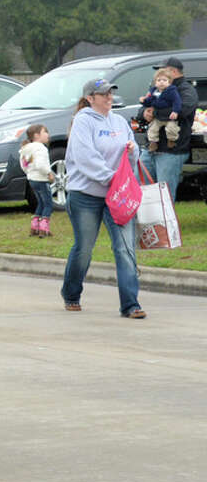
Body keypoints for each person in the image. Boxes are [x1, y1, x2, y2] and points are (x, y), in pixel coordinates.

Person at [60, 78, 145, 319]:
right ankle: (71, 293)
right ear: (90, 98)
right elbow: (86, 157)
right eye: (103, 94)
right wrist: (111, 179)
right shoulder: (82, 122)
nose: (109, 97)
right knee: (84, 248)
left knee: (125, 248)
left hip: (117, 196)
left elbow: (132, 156)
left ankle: (131, 305)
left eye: (110, 93)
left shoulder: (118, 121)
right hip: (86, 196)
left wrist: (131, 150)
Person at [138, 56, 197, 202]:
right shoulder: (156, 89)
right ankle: (145, 224)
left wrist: (155, 112)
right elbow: (143, 107)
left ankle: (167, 225)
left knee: (165, 196)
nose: (158, 74)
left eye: (161, 70)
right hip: (150, 149)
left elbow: (182, 111)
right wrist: (144, 113)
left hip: (171, 151)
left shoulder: (186, 90)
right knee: (140, 190)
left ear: (173, 71)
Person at [19, 123, 55, 237]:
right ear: (36, 135)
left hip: (32, 179)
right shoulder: (40, 148)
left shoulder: (26, 149)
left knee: (40, 203)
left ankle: (34, 227)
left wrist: (29, 172)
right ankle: (44, 229)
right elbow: (41, 164)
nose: (48, 135)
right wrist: (49, 173)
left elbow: (23, 164)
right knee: (48, 204)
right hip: (41, 179)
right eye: (45, 132)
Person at [140, 67, 182, 153]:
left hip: (169, 117)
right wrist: (144, 101)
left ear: (169, 82)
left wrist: (175, 111)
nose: (161, 82)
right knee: (152, 128)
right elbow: (149, 101)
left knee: (171, 128)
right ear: (155, 83)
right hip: (158, 117)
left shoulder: (171, 91)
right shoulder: (154, 92)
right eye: (159, 80)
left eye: (164, 80)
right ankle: (153, 142)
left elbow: (177, 101)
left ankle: (171, 141)